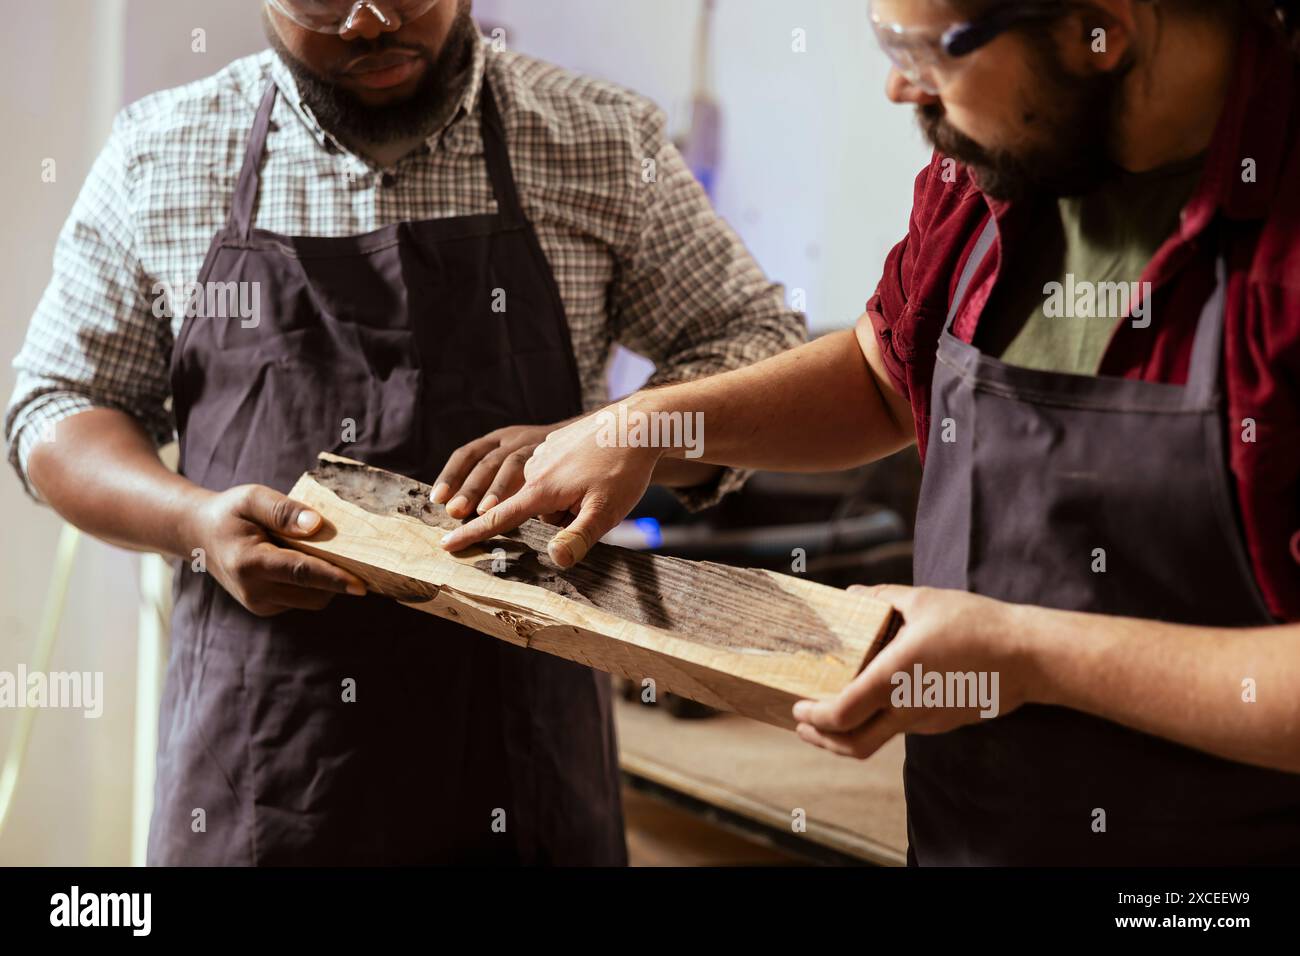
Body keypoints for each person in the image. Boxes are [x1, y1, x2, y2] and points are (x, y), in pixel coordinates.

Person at [443, 0, 1300, 865]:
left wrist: (1029, 655)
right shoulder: (994, 166)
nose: (898, 86)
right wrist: (652, 423)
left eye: (925, 51)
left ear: (1098, 30)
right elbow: (884, 374)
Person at [4, 0, 804, 865]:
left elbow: (756, 342)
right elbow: (57, 406)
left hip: (522, 764)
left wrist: (624, 430)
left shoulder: (602, 141)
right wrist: (188, 523)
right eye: (326, 2)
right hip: (262, 775)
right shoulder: (163, 153)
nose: (371, 23)